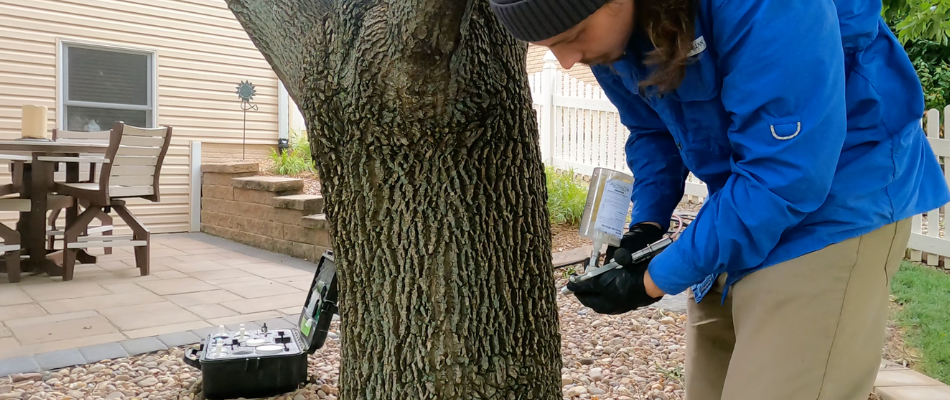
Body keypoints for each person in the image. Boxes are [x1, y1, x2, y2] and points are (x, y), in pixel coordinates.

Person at [489, 0, 950, 399]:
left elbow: (787, 172)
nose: (567, 61)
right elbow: (652, 131)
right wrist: (646, 227)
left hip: (838, 206)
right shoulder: (613, 37)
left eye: (571, 37)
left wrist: (654, 278)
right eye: (549, 47)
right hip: (740, 200)